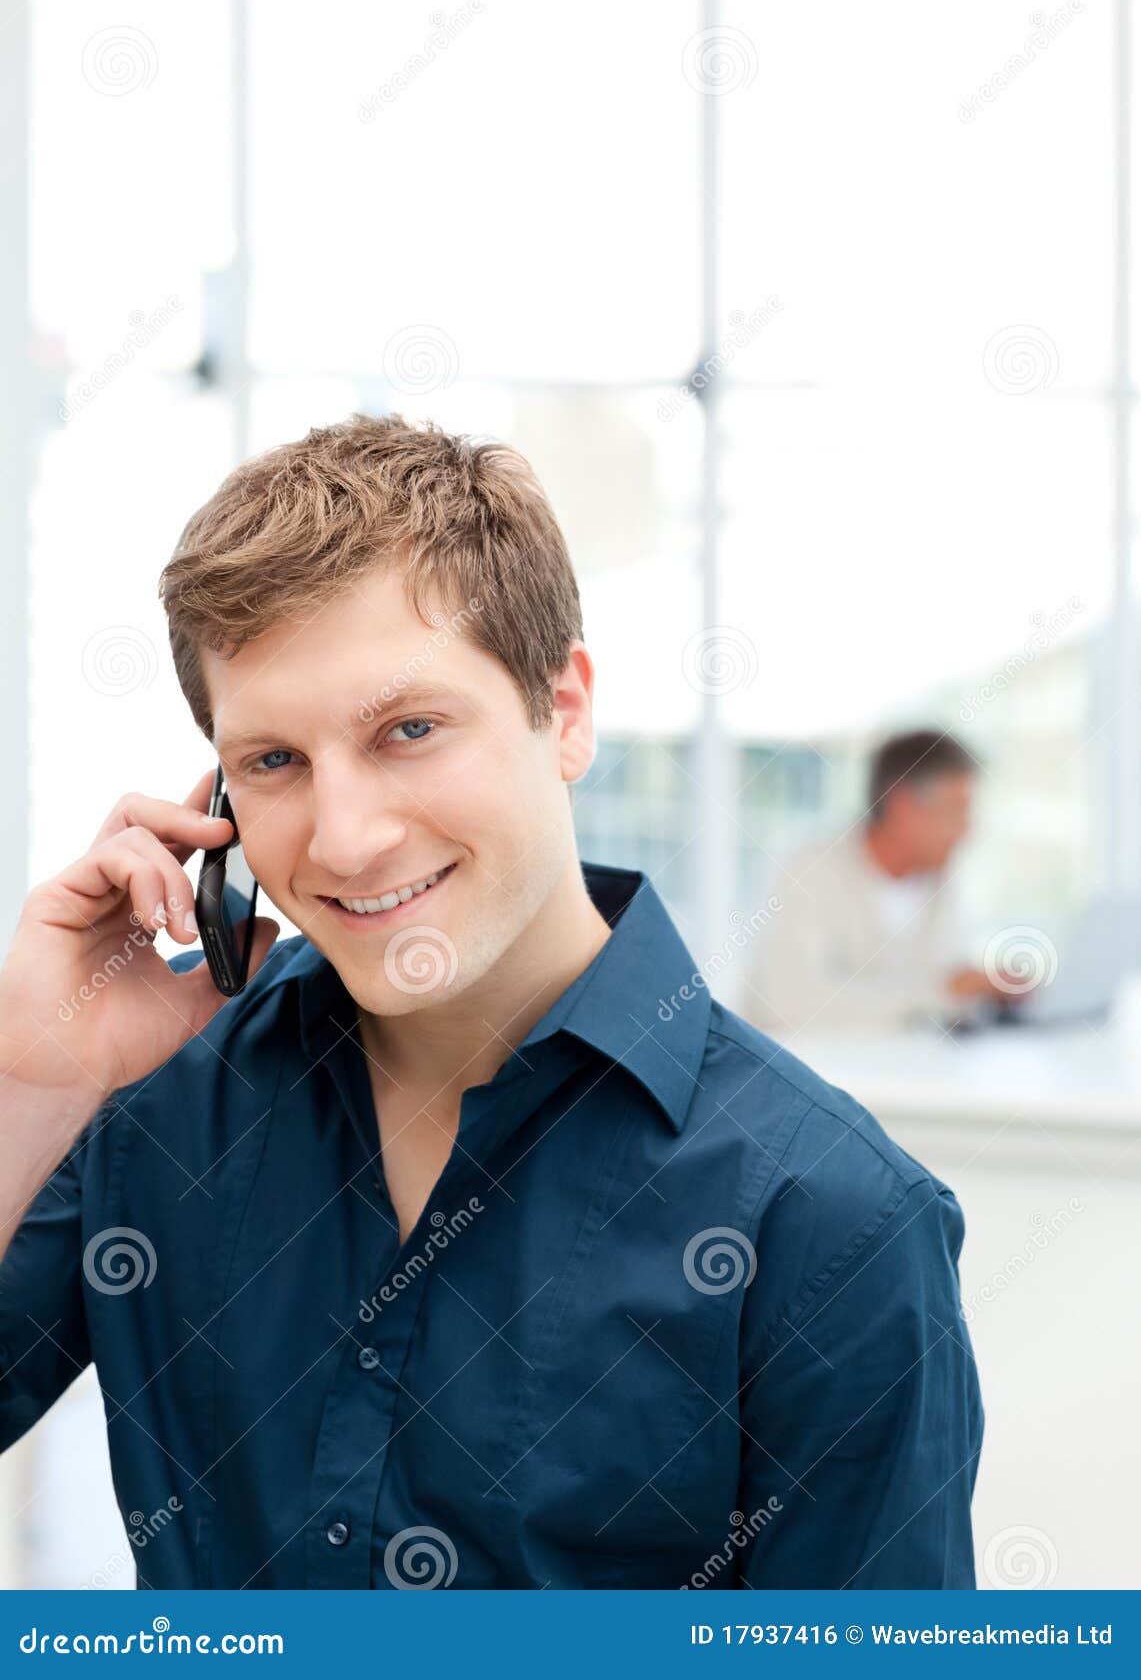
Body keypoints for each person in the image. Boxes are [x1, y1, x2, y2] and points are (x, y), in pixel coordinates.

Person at [0, 416, 982, 1589]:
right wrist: (30, 1082)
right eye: (274, 761)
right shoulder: (147, 1111)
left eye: (408, 730)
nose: (348, 837)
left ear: (562, 710)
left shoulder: (828, 1220)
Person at [746, 729, 1013, 1037]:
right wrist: (943, 991)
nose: (967, 830)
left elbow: (948, 992)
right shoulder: (807, 870)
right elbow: (792, 1004)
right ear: (902, 806)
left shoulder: (939, 880)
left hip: (906, 1076)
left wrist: (983, 989)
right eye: (955, 811)